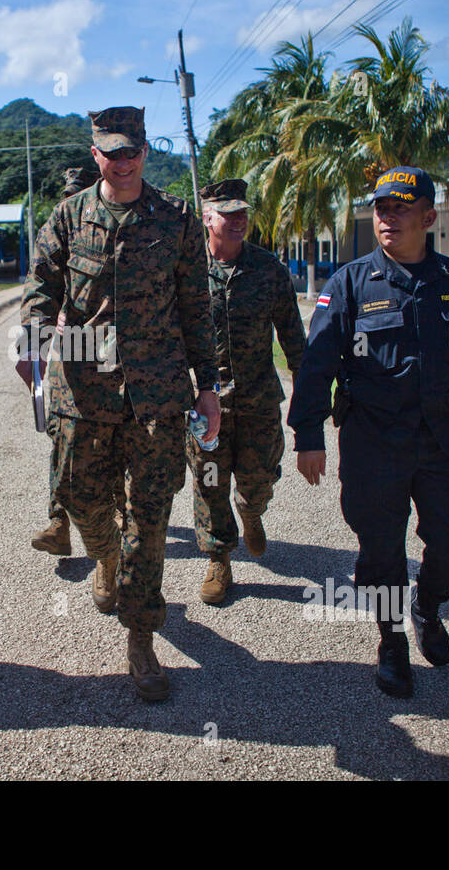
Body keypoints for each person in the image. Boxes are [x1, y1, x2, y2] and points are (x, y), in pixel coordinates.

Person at [20, 107, 220, 701]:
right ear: (96, 154)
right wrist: (34, 337)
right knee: (83, 502)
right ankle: (103, 559)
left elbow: (195, 309)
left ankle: (141, 636)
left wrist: (207, 387)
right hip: (83, 392)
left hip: (158, 395)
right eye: (113, 151)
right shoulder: (67, 217)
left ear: (144, 152)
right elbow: (39, 291)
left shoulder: (178, 220)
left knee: (151, 516)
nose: (125, 160)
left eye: (134, 150)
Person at [287, 165, 449, 698]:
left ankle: (428, 607)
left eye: (401, 208)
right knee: (381, 550)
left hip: (445, 441)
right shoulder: (349, 283)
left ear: (429, 216)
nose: (388, 217)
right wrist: (309, 434)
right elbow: (316, 363)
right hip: (373, 442)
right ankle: (390, 639)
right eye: (381, 208)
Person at [188, 179, 305, 605]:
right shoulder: (186, 272)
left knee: (257, 480)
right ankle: (219, 557)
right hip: (205, 405)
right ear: (207, 217)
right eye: (227, 213)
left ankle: (252, 511)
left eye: (243, 213)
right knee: (209, 480)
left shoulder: (269, 270)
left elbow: (293, 337)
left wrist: (308, 398)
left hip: (258, 402)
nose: (238, 221)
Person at [30, 166, 100, 558]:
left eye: (77, 192)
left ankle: (116, 514)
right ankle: (59, 521)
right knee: (62, 435)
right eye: (67, 193)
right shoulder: (56, 228)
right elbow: (38, 285)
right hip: (68, 348)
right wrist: (34, 342)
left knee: (112, 435)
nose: (70, 200)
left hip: (107, 350)